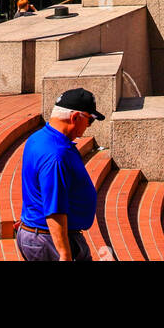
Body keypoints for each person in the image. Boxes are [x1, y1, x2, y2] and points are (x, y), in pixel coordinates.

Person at [16, 88, 104, 261]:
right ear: (75, 117)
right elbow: (54, 209)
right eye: (90, 120)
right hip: (50, 240)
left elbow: (36, 189)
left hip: (40, 234)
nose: (88, 126)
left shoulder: (39, 137)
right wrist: (64, 254)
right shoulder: (55, 155)